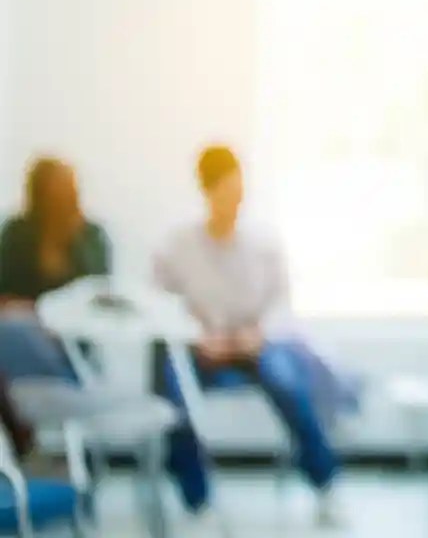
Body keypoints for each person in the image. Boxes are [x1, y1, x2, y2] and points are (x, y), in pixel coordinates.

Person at [153, 145, 344, 529]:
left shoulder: (263, 242)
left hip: (255, 345)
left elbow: (281, 301)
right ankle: (197, 501)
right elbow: (159, 304)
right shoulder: (178, 245)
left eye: (239, 192)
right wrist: (197, 337)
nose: (234, 202)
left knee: (288, 382)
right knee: (175, 393)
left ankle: (326, 486)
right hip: (203, 349)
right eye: (226, 193)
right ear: (207, 192)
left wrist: (257, 334)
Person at [0, 157, 110, 457]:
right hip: (21, 337)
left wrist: (73, 239)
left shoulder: (91, 237)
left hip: (70, 344)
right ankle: (20, 440)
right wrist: (35, 316)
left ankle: (22, 441)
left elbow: (97, 296)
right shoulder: (17, 234)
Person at [0, 157, 110, 309]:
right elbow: (5, 290)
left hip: (76, 317)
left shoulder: (92, 235)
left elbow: (99, 288)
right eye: (54, 194)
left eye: (68, 191)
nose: (61, 202)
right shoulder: (17, 233)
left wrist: (76, 241)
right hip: (24, 316)